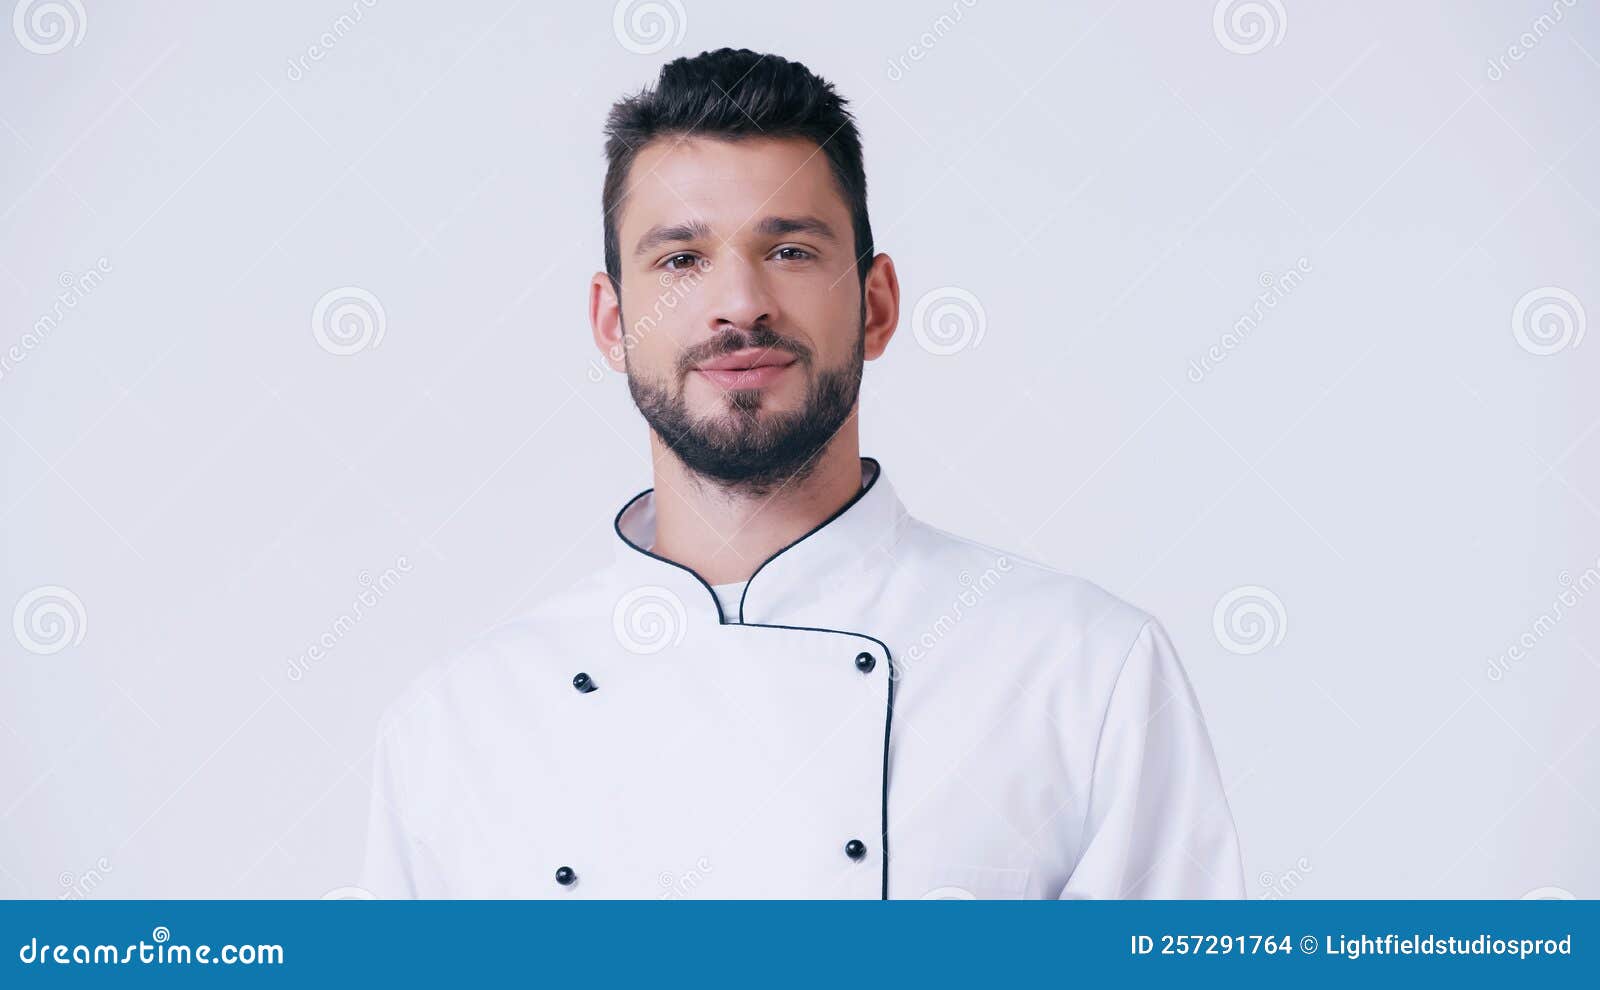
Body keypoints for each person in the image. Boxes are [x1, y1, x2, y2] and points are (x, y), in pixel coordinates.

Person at [361, 48, 1243, 899]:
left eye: (789, 251)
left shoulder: (1080, 672)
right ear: (611, 323)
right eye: (680, 260)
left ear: (877, 305)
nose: (740, 303)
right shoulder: (456, 728)